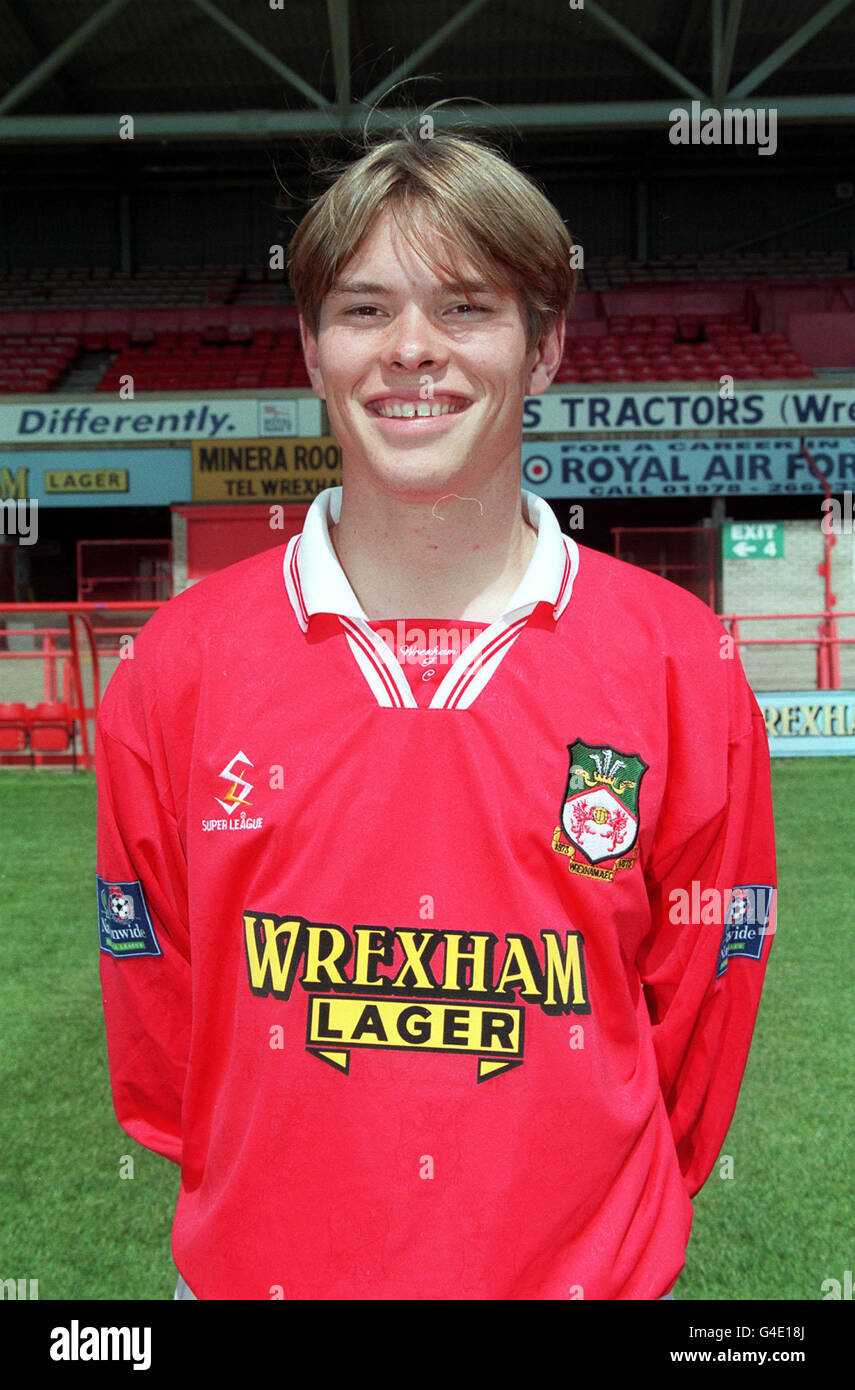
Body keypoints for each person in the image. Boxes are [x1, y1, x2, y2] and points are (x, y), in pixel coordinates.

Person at [96, 129, 776, 1301]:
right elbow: (157, 1014)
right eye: (364, 311)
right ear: (311, 350)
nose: (412, 350)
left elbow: (704, 1013)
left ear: (547, 344)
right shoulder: (180, 661)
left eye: (466, 307)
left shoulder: (681, 662)